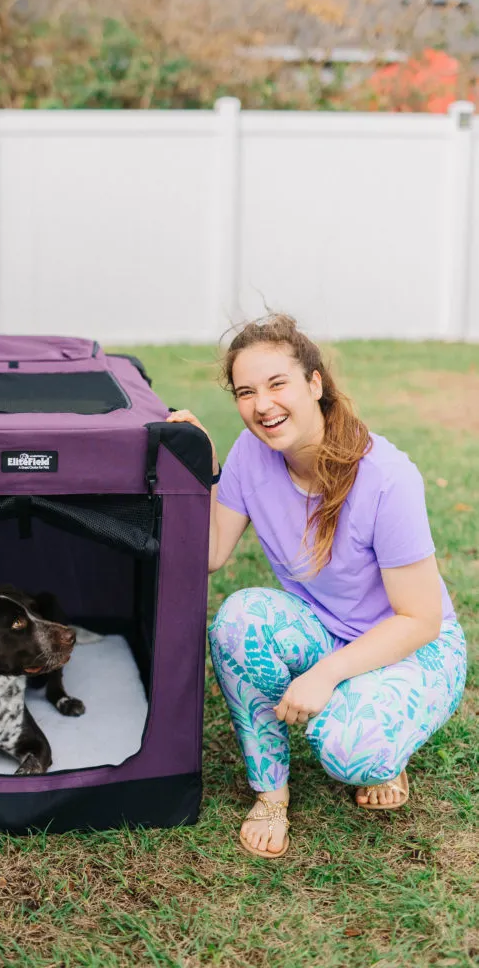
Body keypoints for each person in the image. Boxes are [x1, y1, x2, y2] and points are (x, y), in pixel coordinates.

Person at [167, 314, 466, 859]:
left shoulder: (387, 477)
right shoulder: (250, 453)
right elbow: (210, 555)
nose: (263, 405)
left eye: (277, 384)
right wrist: (201, 466)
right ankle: (271, 795)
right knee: (237, 620)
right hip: (326, 631)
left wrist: (327, 674)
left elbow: (419, 619)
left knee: (354, 752)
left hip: (413, 647)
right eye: (246, 392)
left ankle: (383, 742)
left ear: (314, 383)